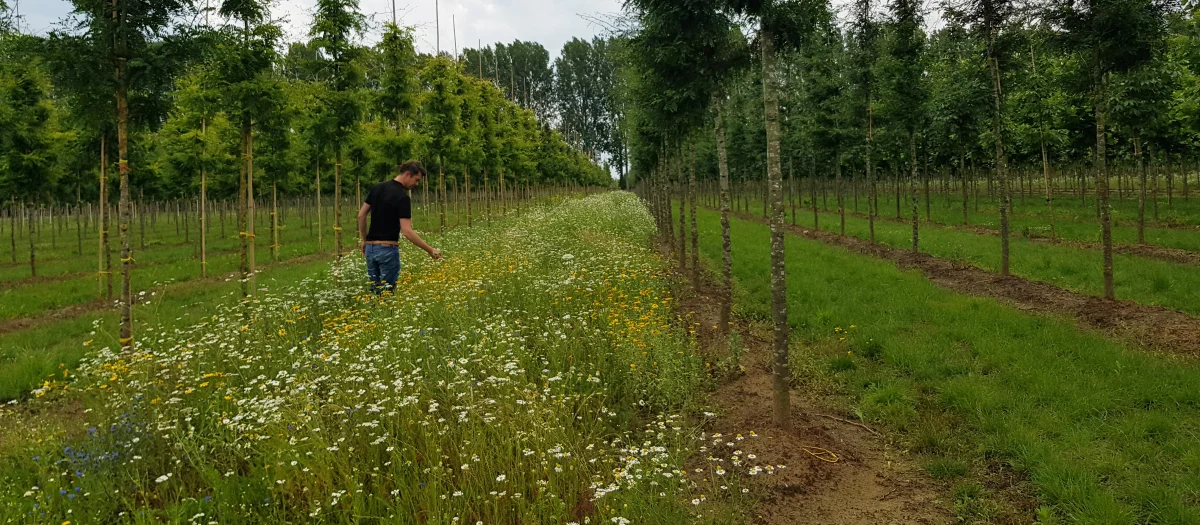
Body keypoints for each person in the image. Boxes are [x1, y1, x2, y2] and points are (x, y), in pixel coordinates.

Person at [357, 160, 443, 294]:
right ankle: (385, 314)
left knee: (375, 292)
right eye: (416, 180)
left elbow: (361, 216)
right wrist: (430, 250)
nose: (416, 184)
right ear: (408, 174)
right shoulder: (402, 198)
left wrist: (364, 240)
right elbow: (407, 231)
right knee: (387, 294)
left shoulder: (377, 188)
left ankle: (375, 313)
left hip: (370, 249)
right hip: (387, 250)